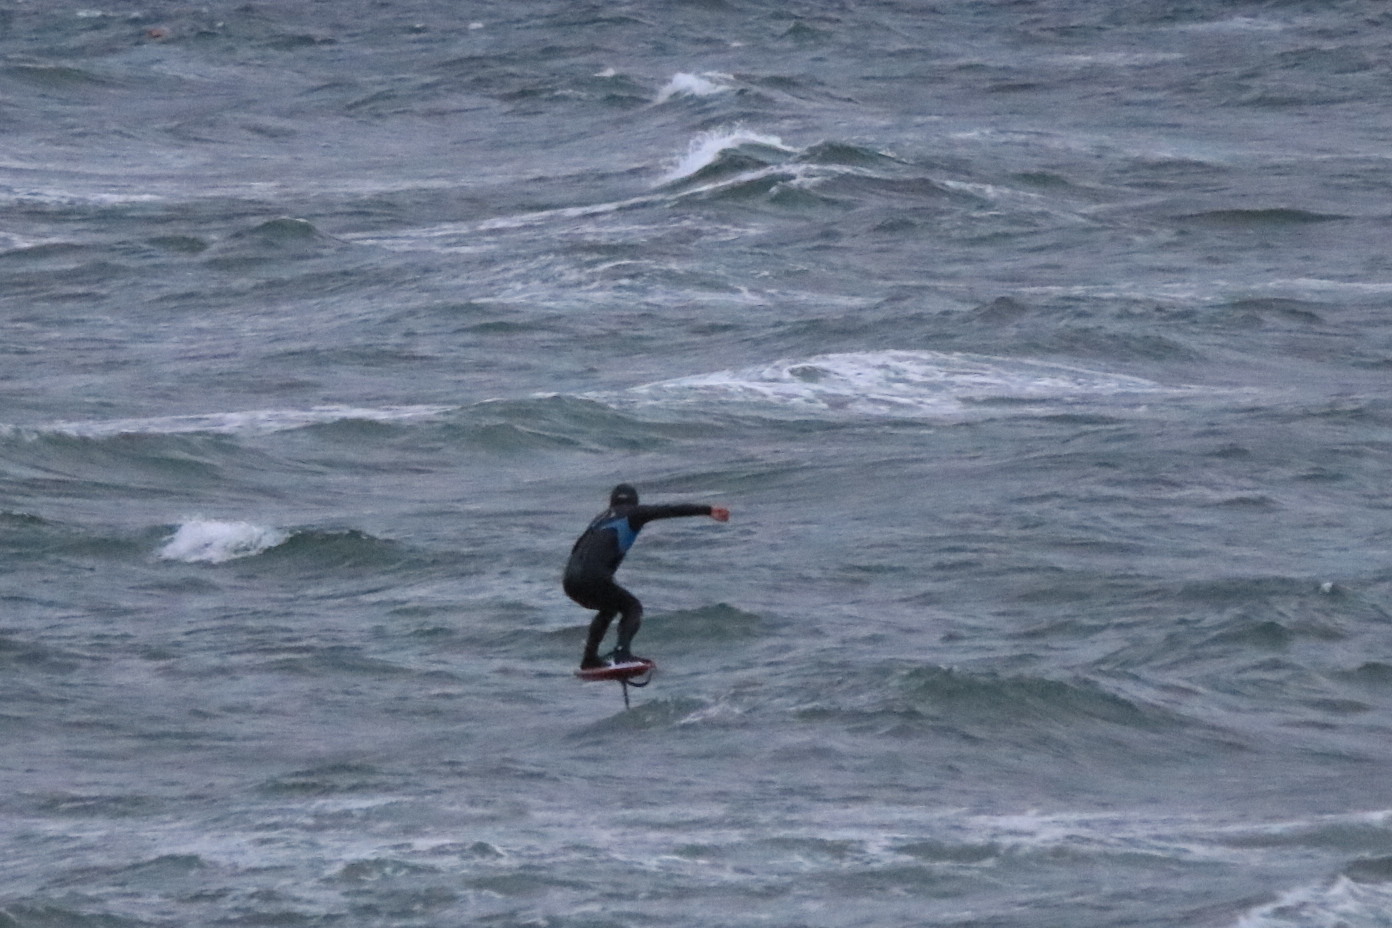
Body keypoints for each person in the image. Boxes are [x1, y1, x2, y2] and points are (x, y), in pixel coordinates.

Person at [564, 483, 730, 669]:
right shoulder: (633, 513)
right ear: (635, 503)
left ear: (611, 502)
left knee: (610, 607)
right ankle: (622, 654)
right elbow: (667, 510)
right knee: (632, 607)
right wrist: (708, 510)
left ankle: (589, 659)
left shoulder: (598, 519)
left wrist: (603, 576)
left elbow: (578, 549)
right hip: (593, 577)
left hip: (570, 581)